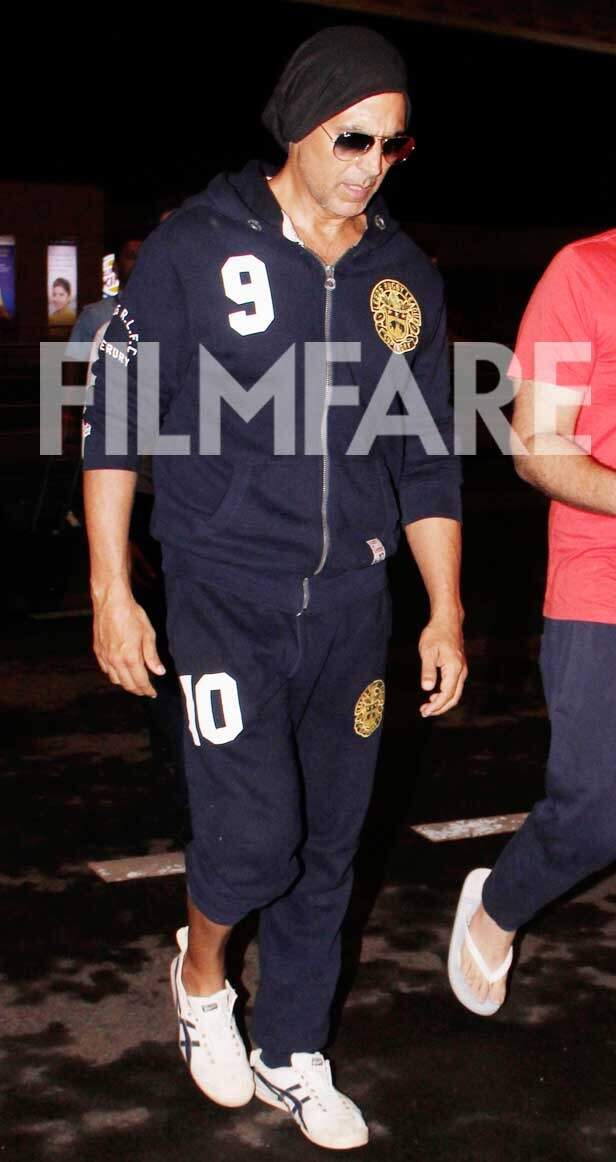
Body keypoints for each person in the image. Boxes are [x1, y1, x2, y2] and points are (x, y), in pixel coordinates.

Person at [83, 25, 466, 1149]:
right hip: (224, 595)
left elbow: (426, 457)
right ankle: (203, 976)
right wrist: (112, 588)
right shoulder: (197, 247)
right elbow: (117, 423)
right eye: (353, 137)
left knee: (332, 841)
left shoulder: (403, 276)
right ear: (298, 120)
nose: (371, 163)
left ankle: (293, 1046)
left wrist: (441, 608)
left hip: (355, 606)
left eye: (393, 147)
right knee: (254, 839)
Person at [448, 227, 616, 1016]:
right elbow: (534, 444)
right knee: (595, 810)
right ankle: (498, 905)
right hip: (602, 577)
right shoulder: (585, 271)